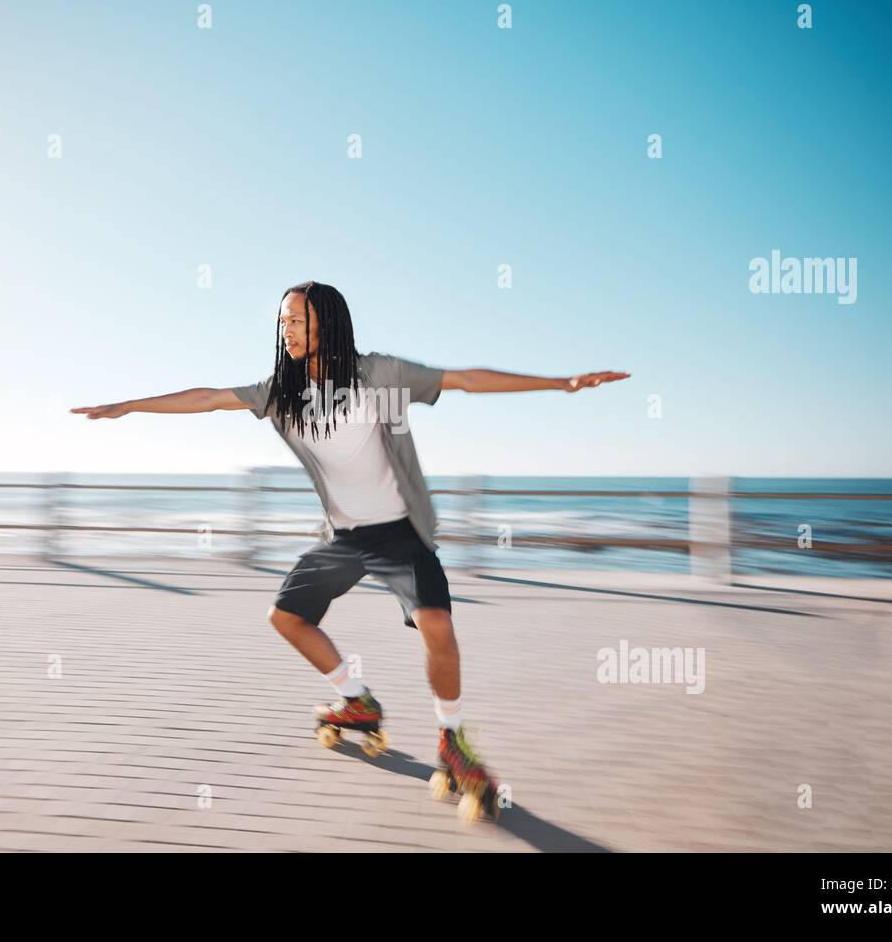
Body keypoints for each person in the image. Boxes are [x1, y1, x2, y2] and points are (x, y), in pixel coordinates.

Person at [72, 279, 629, 821]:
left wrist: (562, 383)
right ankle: (356, 699)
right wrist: (128, 406)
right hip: (344, 537)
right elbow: (208, 398)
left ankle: (452, 738)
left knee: (437, 625)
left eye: (299, 320)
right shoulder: (279, 392)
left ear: (328, 323)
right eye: (283, 321)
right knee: (286, 618)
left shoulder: (379, 374)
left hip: (398, 532)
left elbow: (463, 379)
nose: (287, 329)